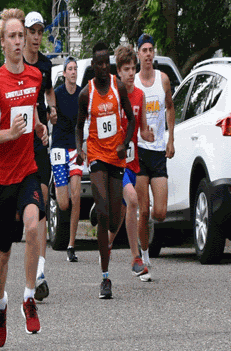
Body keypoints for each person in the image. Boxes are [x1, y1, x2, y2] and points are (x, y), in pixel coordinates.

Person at [0, 8, 46, 344]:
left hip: (28, 171)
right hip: (3, 178)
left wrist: (39, 126)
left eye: (22, 36)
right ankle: (1, 303)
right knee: (3, 251)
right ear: (3, 42)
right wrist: (10, 134)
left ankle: (29, 297)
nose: (19, 42)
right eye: (13, 37)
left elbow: (30, 112)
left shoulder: (34, 76)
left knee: (33, 225)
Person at [75, 42, 136, 300]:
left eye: (106, 63)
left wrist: (125, 143)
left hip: (116, 156)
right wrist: (80, 149)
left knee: (112, 220)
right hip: (97, 155)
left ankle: (102, 210)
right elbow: (79, 126)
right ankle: (105, 277)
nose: (102, 67)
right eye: (98, 63)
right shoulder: (86, 94)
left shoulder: (117, 86)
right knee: (103, 213)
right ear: (92, 66)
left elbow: (131, 118)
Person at [108, 46, 153, 280]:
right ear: (118, 71)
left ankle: (105, 247)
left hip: (133, 162)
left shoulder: (140, 96)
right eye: (126, 69)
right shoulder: (112, 95)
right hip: (116, 163)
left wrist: (148, 135)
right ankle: (136, 259)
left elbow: (142, 129)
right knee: (133, 201)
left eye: (133, 69)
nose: (131, 73)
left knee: (123, 212)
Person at [133, 33, 175, 270]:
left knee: (159, 213)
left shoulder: (163, 80)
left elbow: (170, 107)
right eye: (144, 50)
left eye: (151, 50)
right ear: (138, 54)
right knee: (144, 209)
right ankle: (145, 256)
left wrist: (171, 138)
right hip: (139, 151)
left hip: (158, 150)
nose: (148, 54)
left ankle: (145, 232)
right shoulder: (134, 82)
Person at [23, 11, 56, 301]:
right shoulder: (18, 63)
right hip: (19, 135)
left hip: (40, 134)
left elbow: (48, 94)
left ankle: (41, 269)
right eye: (31, 31)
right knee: (26, 200)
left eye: (39, 31)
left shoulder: (45, 64)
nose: (35, 37)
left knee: (42, 197)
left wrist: (52, 109)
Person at [49, 57, 81, 262]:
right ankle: (54, 193)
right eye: (70, 69)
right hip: (59, 148)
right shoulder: (58, 93)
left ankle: (71, 244)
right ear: (64, 74)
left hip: (75, 148)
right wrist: (50, 116)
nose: (73, 72)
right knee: (64, 203)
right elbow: (49, 115)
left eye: (75, 69)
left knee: (76, 197)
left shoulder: (81, 93)